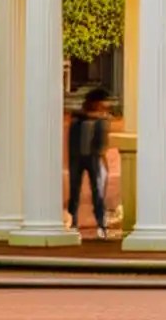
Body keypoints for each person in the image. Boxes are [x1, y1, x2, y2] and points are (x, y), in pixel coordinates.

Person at [67, 88, 112, 239]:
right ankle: (73, 222)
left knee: (98, 193)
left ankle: (101, 224)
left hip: (96, 157)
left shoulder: (103, 119)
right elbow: (78, 115)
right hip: (78, 158)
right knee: (74, 192)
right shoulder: (79, 117)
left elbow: (103, 140)